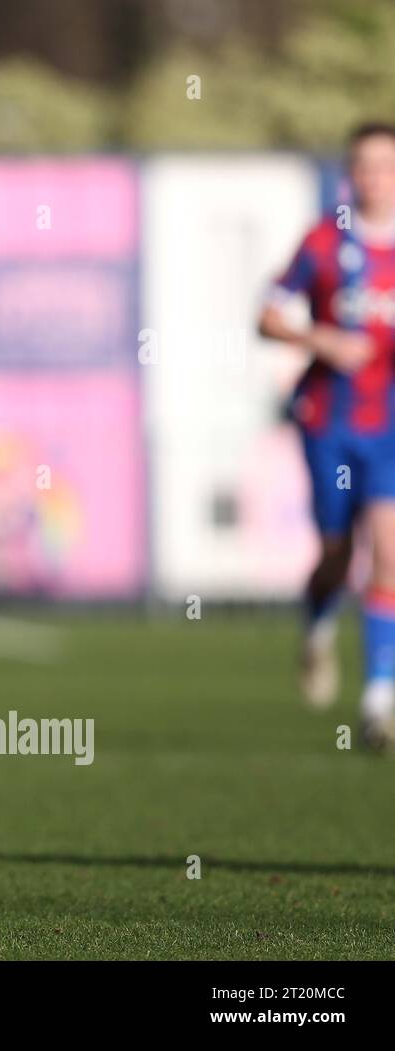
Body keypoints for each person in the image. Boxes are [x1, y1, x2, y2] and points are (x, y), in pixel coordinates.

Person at [259, 121, 395, 751]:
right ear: (350, 172)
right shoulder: (323, 241)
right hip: (328, 422)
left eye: (386, 166)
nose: (375, 178)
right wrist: (321, 340)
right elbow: (267, 313)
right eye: (364, 166)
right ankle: (316, 629)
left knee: (390, 551)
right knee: (337, 556)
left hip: (389, 426)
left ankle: (378, 701)